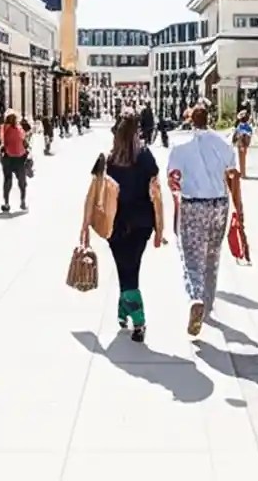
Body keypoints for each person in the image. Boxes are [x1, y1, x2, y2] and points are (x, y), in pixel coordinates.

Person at [81, 111, 164, 343]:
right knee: (130, 269)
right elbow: (156, 193)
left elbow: (93, 194)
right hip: (141, 223)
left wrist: (86, 224)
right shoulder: (146, 156)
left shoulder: (109, 159)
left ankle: (138, 320)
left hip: (116, 223)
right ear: (136, 131)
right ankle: (125, 311)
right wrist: (159, 228)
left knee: (125, 269)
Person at [167, 103, 243, 337]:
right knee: (212, 256)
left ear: (191, 121)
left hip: (193, 205)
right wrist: (239, 209)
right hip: (219, 203)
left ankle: (196, 298)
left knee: (191, 256)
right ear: (209, 119)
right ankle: (207, 306)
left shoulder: (180, 146)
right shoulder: (222, 143)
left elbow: (173, 180)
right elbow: (233, 174)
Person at [0, 111, 29, 213]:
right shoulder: (19, 129)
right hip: (20, 158)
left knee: (7, 181)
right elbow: (25, 141)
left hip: (7, 158)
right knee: (22, 181)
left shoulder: (3, 128)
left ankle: (6, 203)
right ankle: (23, 201)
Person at [233, 110, 253, 178]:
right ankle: (243, 173)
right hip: (245, 144)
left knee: (241, 159)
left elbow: (236, 135)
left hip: (240, 144)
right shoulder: (248, 127)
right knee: (243, 158)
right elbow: (250, 134)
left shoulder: (239, 126)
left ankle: (242, 173)